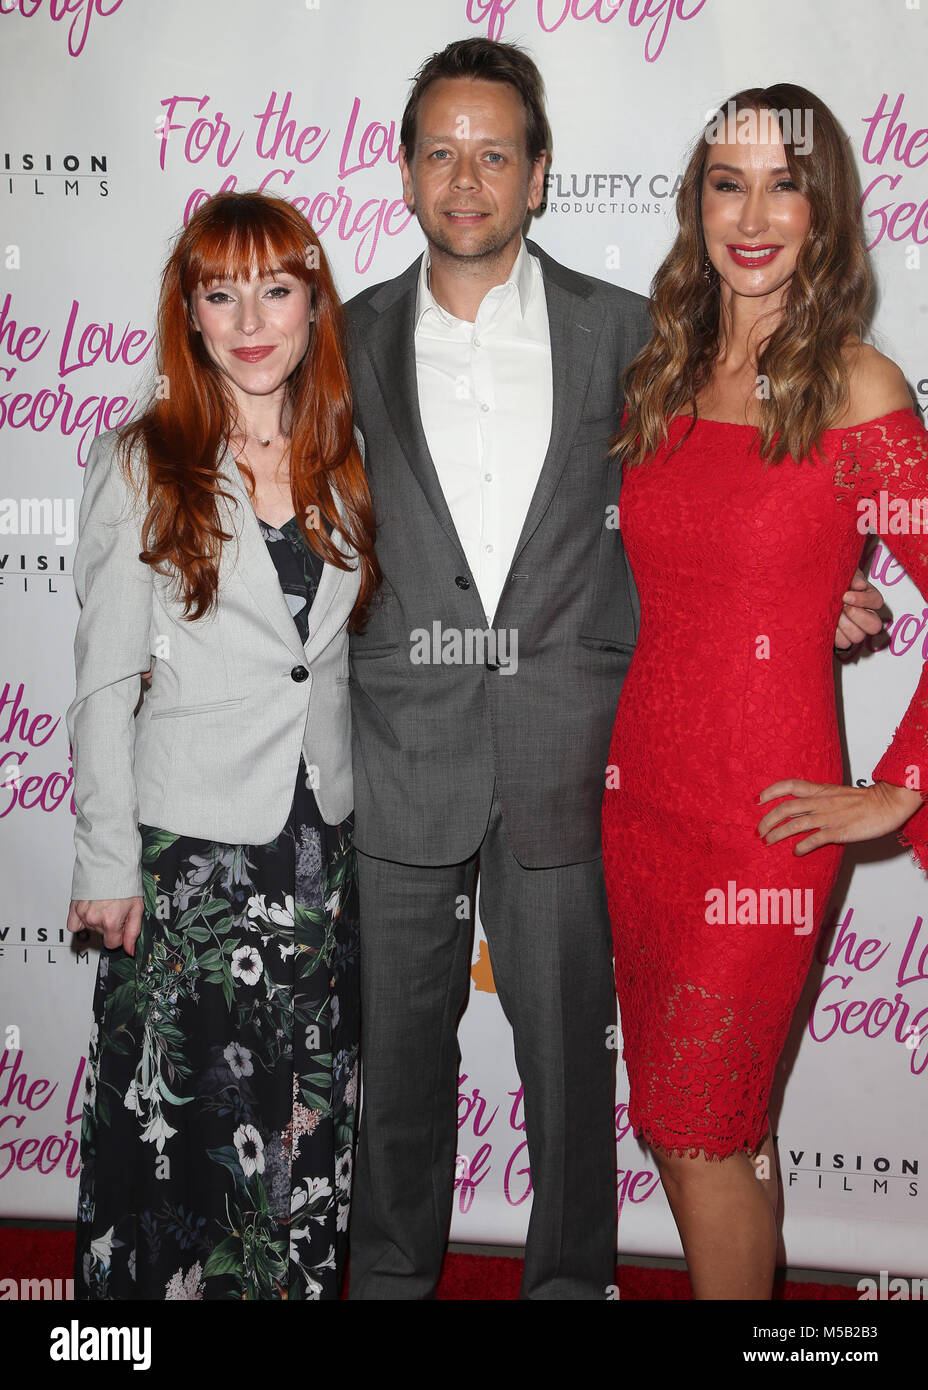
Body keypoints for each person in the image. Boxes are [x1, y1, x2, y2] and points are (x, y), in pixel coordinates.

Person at [342, 41, 881, 1299]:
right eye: (440, 152)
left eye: (494, 152)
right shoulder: (344, 338)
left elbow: (734, 500)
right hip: (402, 765)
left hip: (587, 772)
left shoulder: (632, 337)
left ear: (539, 174)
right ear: (406, 172)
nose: (465, 178)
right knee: (396, 1086)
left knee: (585, 1095)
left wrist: (813, 592)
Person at [602, 84, 928, 1301]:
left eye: (782, 184)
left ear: (823, 210)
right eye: (725, 182)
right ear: (695, 202)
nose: (751, 213)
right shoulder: (664, 371)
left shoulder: (858, 387)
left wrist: (895, 789)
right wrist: (807, 603)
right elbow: (680, 576)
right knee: (706, 1129)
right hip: (639, 805)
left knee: (694, 1127)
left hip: (763, 820)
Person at [66, 191, 379, 1300]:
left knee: (299, 1129)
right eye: (220, 290)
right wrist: (105, 862)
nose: (251, 316)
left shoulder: (348, 455)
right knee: (178, 1142)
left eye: (276, 288)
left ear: (311, 305)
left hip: (315, 859)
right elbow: (105, 678)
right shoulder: (142, 459)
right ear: (189, 313)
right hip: (187, 866)